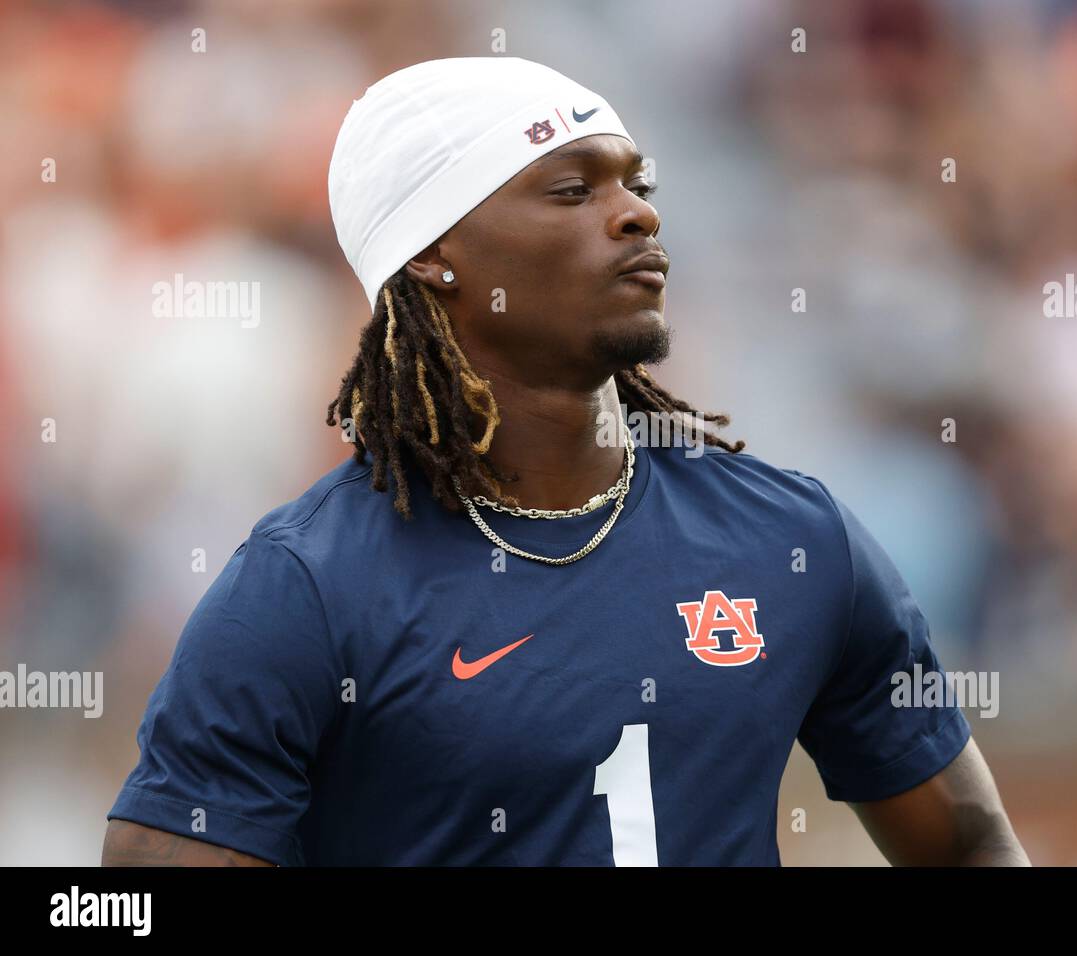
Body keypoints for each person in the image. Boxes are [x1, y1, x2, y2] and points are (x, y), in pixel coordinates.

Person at [102, 57, 1027, 866]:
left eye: (635, 182)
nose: (636, 216)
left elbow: (973, 845)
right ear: (434, 255)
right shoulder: (305, 589)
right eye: (574, 189)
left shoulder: (793, 539)